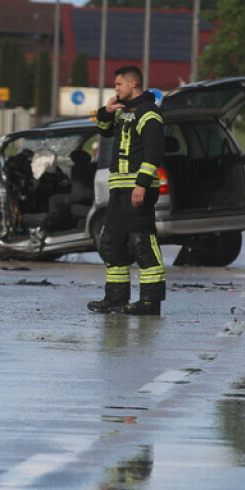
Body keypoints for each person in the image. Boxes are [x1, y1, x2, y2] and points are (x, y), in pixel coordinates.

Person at [87, 67, 167, 315]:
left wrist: (142, 183)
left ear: (133, 83)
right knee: (112, 243)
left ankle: (150, 302)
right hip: (118, 188)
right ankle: (115, 299)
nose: (116, 88)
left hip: (137, 188)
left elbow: (154, 152)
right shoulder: (122, 112)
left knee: (141, 241)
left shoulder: (149, 113)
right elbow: (104, 129)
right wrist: (106, 111)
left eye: (119, 84)